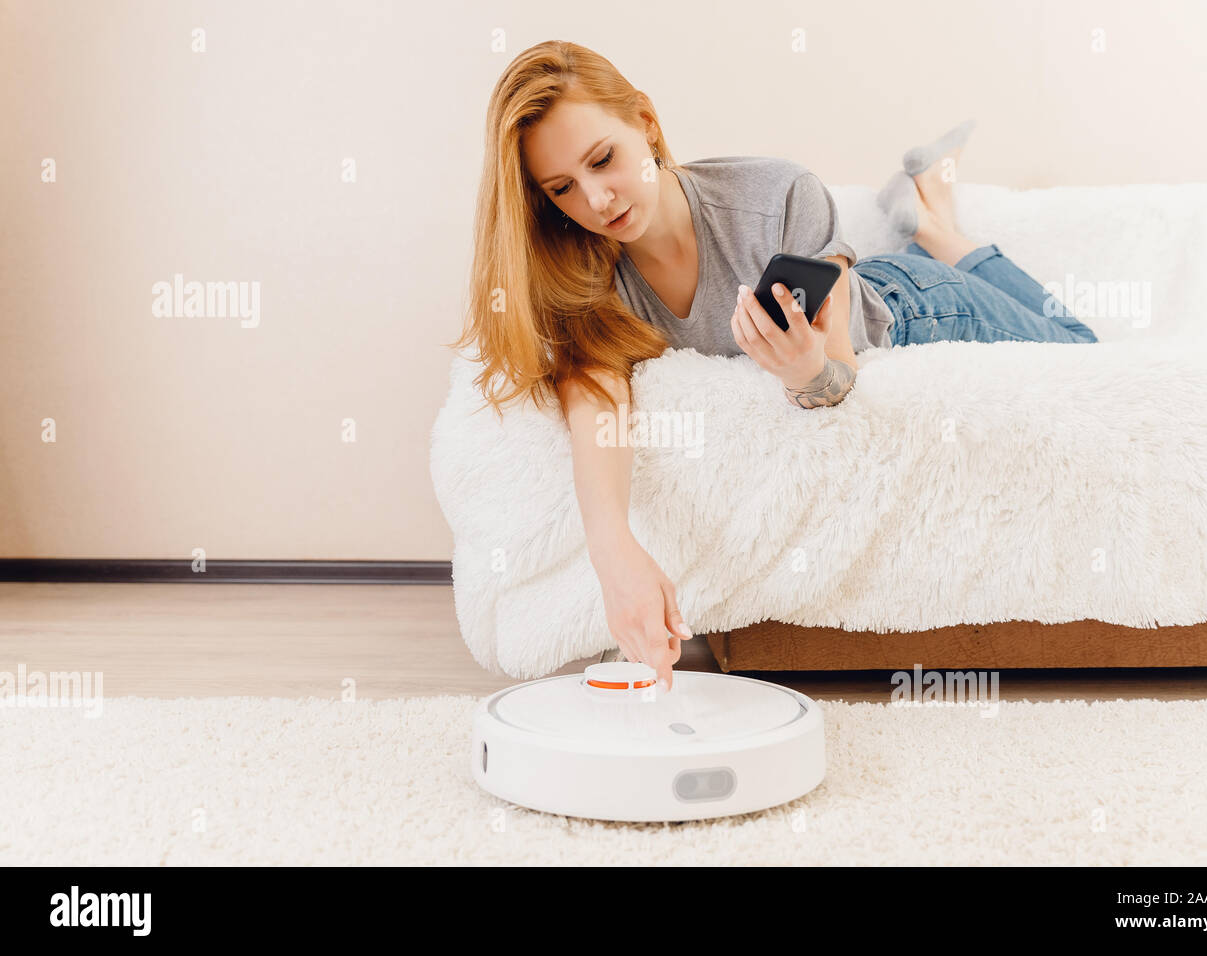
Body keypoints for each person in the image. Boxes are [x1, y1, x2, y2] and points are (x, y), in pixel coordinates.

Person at [449, 41, 1098, 690]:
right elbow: (597, 404)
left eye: (603, 159)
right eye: (563, 188)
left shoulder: (774, 195)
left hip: (918, 307)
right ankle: (922, 214)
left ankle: (935, 227)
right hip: (882, 291)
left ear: (644, 121)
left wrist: (803, 374)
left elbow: (840, 376)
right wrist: (613, 550)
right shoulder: (581, 271)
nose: (596, 200)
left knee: (1078, 345)